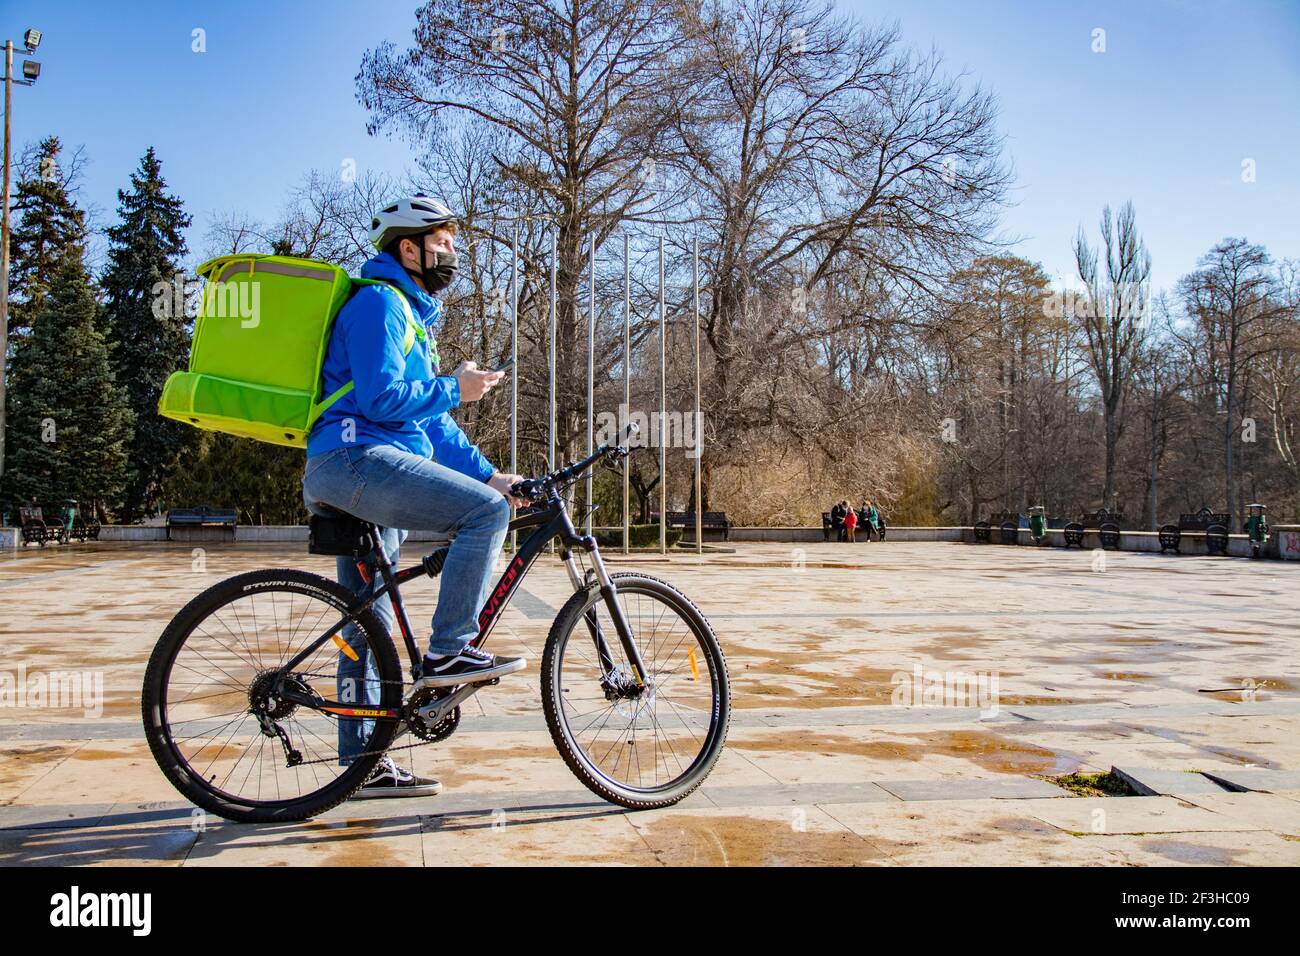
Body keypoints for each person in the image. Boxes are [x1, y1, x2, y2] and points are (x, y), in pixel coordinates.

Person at [301, 194, 527, 799]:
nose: (453, 253)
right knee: (487, 517)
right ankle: (449, 652)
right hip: (357, 461)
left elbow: (427, 427)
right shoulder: (380, 304)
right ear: (410, 247)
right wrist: (456, 386)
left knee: (364, 620)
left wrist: (486, 473)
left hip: (359, 465)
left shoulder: (406, 312)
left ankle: (361, 764)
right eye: (445, 242)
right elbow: (382, 400)